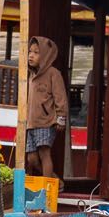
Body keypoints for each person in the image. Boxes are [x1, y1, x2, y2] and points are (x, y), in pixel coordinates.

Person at [26, 35, 68, 179]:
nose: (31, 55)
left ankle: (47, 188)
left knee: (44, 153)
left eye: (36, 52)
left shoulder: (53, 74)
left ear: (45, 55)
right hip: (31, 123)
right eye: (30, 52)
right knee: (31, 158)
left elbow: (60, 97)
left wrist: (61, 118)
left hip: (45, 122)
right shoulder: (31, 75)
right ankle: (55, 181)